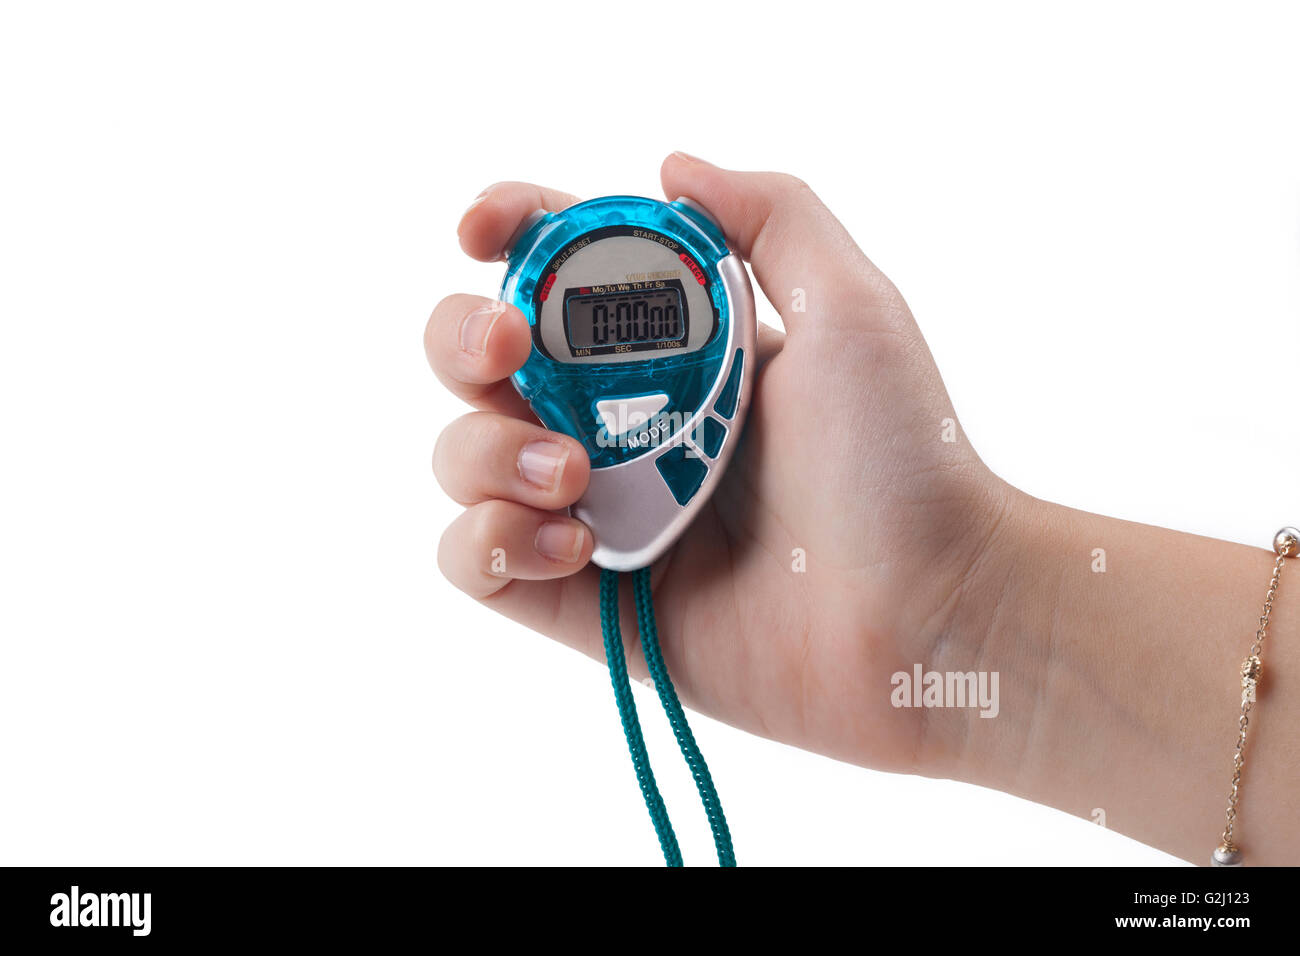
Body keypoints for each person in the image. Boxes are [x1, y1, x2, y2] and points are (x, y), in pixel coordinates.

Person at [425, 152, 1297, 865]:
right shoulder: (679, 271)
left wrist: (963, 609)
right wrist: (963, 626)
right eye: (603, 326)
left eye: (649, 318)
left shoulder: (660, 278)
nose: (628, 332)